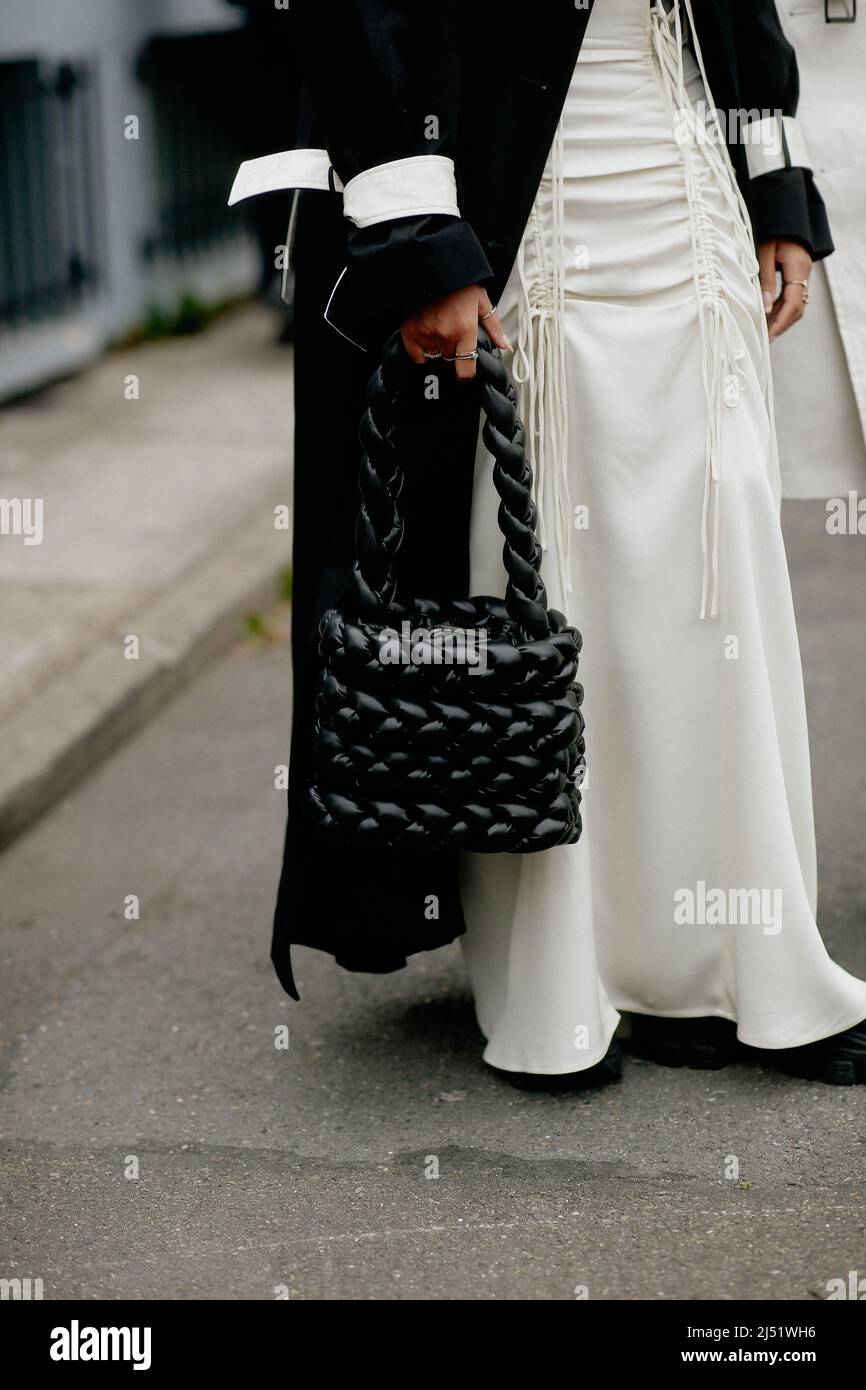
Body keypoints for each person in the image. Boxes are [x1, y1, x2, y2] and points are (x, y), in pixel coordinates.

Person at [229, 0, 866, 1086]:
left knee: (715, 572)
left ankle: (714, 960)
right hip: (522, 185)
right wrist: (417, 238)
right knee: (561, 582)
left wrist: (772, 185)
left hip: (684, 178)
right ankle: (568, 975)